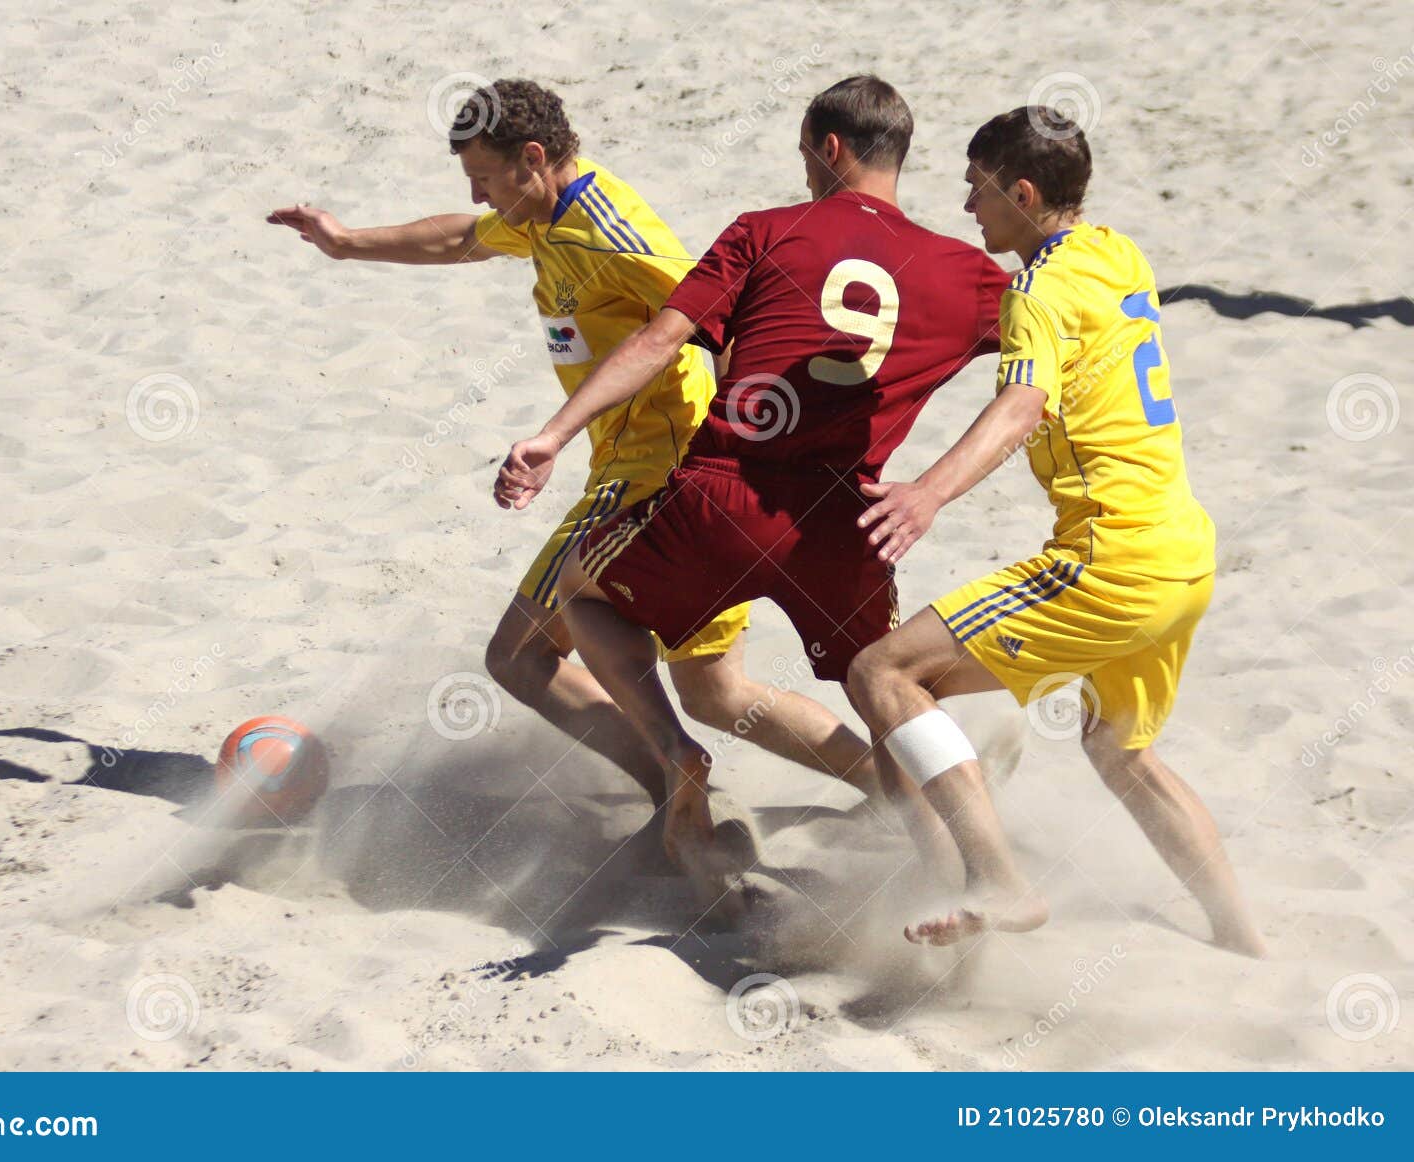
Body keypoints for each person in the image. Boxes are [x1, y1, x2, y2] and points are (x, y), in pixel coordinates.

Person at [269, 78, 889, 821]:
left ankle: (673, 783)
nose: (481, 196)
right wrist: (345, 244)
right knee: (718, 694)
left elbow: (722, 315)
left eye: (486, 179)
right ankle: (897, 791)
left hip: (655, 468)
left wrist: (743, 450)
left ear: (533, 158)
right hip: (658, 467)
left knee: (520, 656)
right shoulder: (538, 215)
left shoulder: (609, 232)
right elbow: (464, 237)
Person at [495, 76, 1013, 900]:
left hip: (721, 497)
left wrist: (553, 436)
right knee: (887, 695)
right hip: (847, 525)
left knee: (578, 592)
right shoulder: (970, 275)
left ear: (827, 147)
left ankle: (673, 756)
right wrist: (937, 486)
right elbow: (1034, 387)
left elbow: (661, 341)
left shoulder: (767, 231)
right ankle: (956, 878)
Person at [844, 106, 1265, 955]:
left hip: (1110, 558)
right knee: (1121, 753)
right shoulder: (1120, 253)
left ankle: (998, 878)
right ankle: (1243, 941)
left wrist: (926, 492)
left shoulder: (1035, 290)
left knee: (883, 672)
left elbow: (1022, 402)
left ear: (1022, 191)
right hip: (1184, 555)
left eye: (977, 189)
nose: (969, 208)